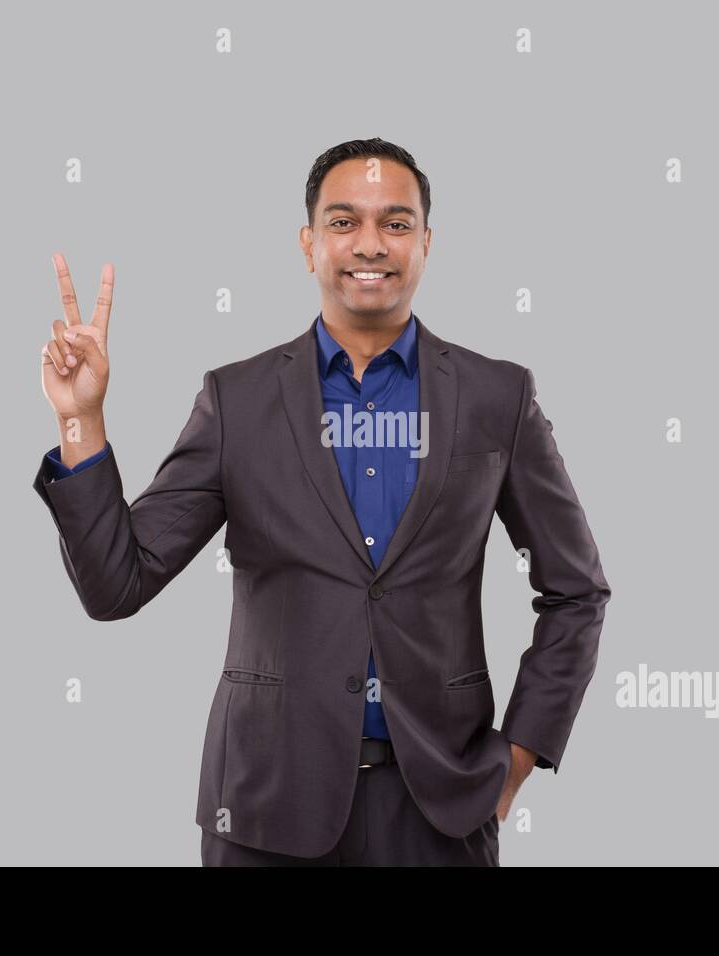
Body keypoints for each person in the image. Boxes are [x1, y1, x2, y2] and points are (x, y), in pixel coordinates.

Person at [33, 138, 611, 866]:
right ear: (309, 245)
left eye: (396, 224)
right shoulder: (237, 401)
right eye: (344, 222)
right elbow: (118, 584)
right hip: (265, 807)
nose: (370, 243)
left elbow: (576, 590)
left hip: (440, 809)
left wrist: (520, 758)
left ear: (426, 244)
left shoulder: (498, 397)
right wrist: (80, 419)